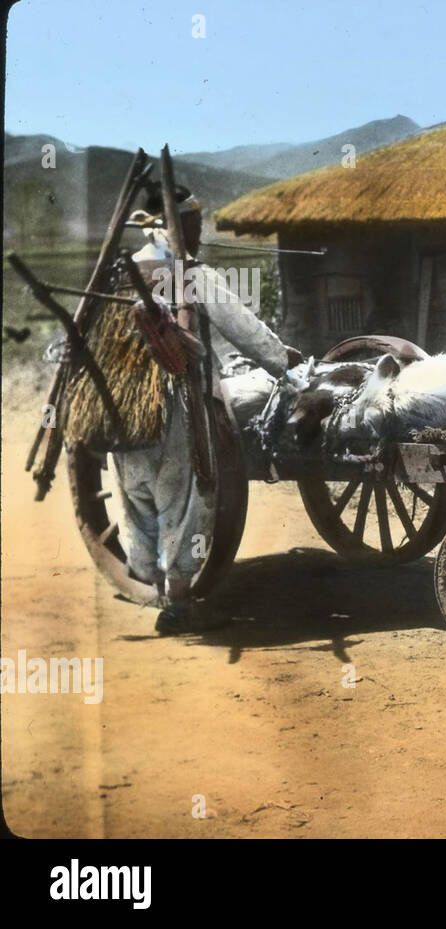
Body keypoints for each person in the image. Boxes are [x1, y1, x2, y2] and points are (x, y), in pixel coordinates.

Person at [113, 182, 301, 635]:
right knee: (181, 498)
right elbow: (247, 332)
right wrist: (284, 362)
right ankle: (176, 603)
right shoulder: (191, 274)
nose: (201, 232)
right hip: (176, 402)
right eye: (194, 224)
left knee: (136, 497)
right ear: (174, 227)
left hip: (124, 406)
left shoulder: (119, 273)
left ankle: (148, 579)